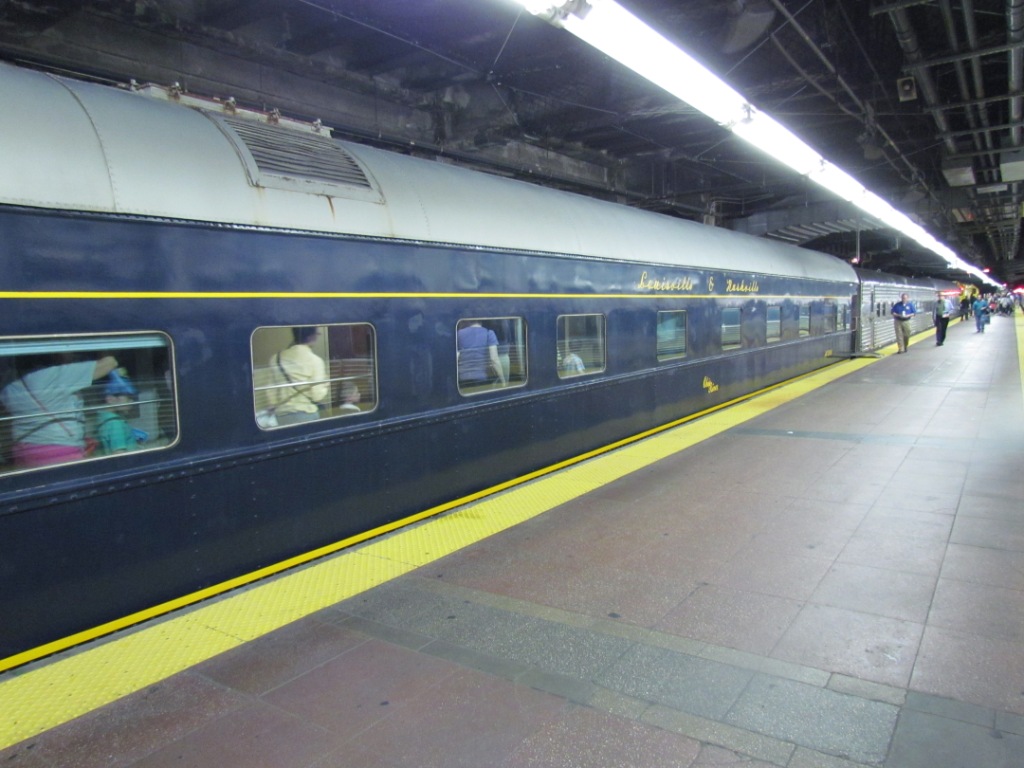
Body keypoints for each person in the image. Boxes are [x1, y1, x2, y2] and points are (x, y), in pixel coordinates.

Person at [0, 353, 118, 467]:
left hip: (23, 451)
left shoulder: (9, 384)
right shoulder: (53, 375)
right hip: (58, 453)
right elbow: (110, 363)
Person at [268, 326, 329, 425]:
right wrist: (325, 385)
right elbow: (317, 396)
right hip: (306, 413)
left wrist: (273, 404)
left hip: (282, 415)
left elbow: (271, 389)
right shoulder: (315, 361)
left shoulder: (276, 358)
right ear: (311, 336)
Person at [96, 369, 147, 454]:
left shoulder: (103, 418)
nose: (132, 402)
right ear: (110, 399)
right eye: (128, 398)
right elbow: (120, 454)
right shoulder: (115, 425)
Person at [457, 321, 506, 387]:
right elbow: (494, 359)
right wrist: (502, 379)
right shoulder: (489, 333)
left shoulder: (459, 333)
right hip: (481, 377)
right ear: (481, 321)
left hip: (463, 377)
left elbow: (456, 358)